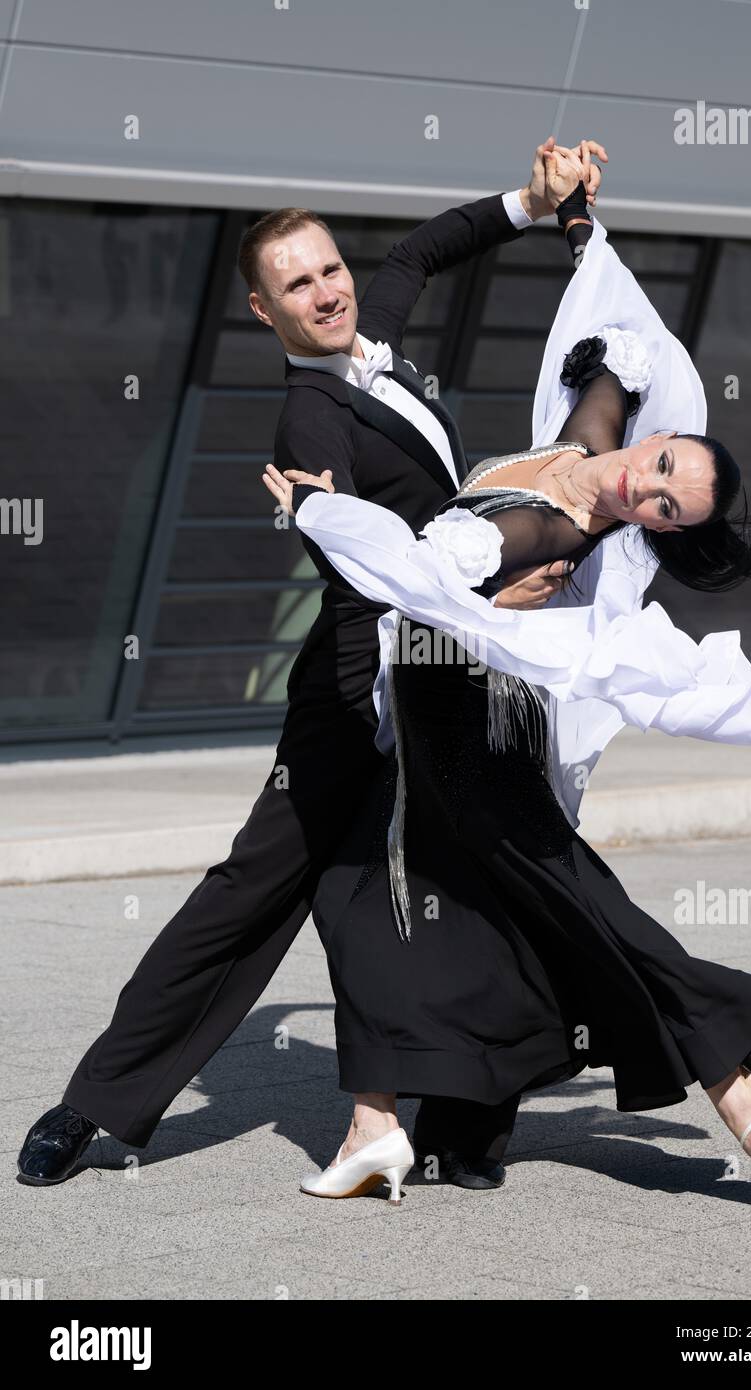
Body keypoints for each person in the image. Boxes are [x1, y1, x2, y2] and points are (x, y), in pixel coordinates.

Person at [260, 147, 751, 1214]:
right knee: (399, 900)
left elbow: (422, 575)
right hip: (449, 709)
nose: (647, 484)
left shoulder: (554, 524)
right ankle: (397, 1126)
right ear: (658, 435)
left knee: (551, 898)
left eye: (664, 506)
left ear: (654, 530)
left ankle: (736, 1075)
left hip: (462, 718)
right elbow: (609, 340)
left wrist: (314, 512)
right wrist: (570, 212)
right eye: (664, 464)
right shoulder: (591, 441)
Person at [16, 137, 607, 1191]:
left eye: (328, 269)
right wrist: (361, 531)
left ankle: (471, 1123)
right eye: (296, 284)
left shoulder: (367, 338)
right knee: (251, 894)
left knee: (481, 877)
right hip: (355, 687)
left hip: (447, 666)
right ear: (263, 310)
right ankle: (95, 1104)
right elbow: (350, 549)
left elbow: (424, 249)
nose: (325, 292)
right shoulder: (310, 410)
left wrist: (531, 199)